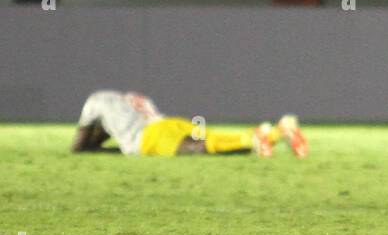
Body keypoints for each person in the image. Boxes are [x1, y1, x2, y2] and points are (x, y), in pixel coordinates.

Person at [71, 90, 309, 159]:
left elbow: (79, 147)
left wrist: (105, 147)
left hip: (149, 138)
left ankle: (257, 139)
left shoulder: (94, 100)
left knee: (203, 148)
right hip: (169, 123)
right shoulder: (132, 98)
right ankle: (277, 131)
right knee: (216, 139)